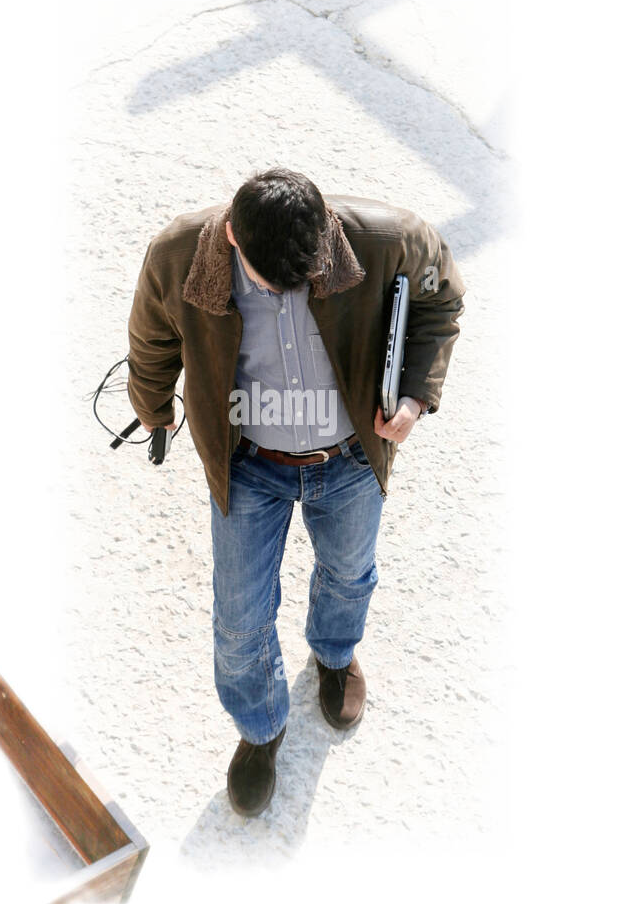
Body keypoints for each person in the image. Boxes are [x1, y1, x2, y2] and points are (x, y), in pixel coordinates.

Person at [126, 168, 465, 816]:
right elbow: (152, 337)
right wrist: (153, 404)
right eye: (266, 283)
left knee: (348, 575)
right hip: (249, 463)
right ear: (230, 236)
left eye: (302, 280)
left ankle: (335, 656)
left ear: (326, 234)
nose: (288, 293)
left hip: (350, 458)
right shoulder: (177, 253)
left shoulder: (387, 238)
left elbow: (442, 300)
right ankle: (260, 727)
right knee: (239, 617)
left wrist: (417, 396)